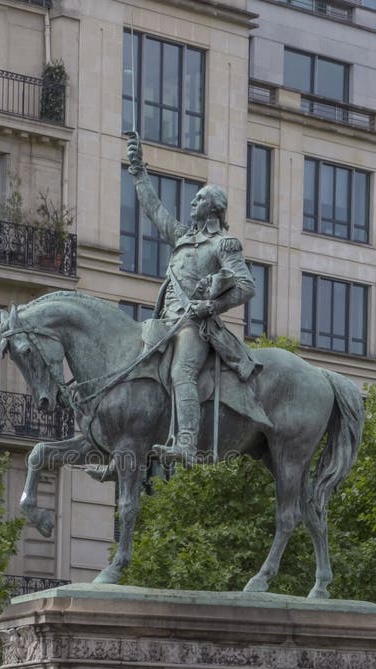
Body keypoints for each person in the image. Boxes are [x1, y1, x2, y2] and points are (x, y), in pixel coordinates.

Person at [126, 132, 258, 466]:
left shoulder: (224, 245)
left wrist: (211, 306)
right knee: (132, 367)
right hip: (164, 322)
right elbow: (155, 210)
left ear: (213, 207)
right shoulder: (183, 237)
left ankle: (185, 443)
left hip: (194, 327)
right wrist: (139, 171)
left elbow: (246, 286)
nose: (191, 203)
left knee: (182, 373)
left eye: (198, 199)